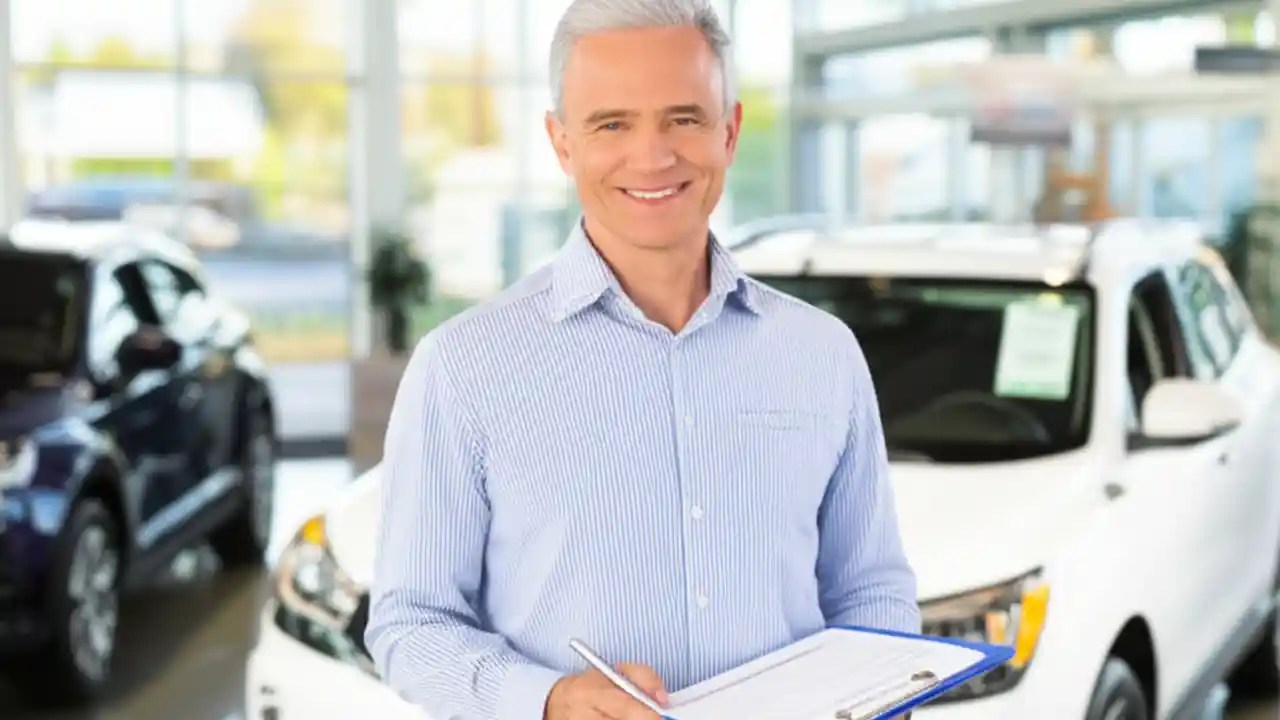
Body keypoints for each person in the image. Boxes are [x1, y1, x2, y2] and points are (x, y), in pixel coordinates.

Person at [365, 1, 921, 718]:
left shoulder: (822, 354)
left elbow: (870, 587)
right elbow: (410, 624)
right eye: (612, 124)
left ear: (730, 131)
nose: (653, 156)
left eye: (684, 119)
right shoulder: (464, 367)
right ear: (563, 143)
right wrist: (550, 700)